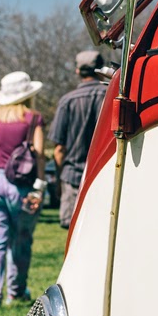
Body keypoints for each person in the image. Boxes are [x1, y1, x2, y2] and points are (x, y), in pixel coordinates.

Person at [0, 71, 45, 310]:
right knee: (21, 241)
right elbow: (39, 154)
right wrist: (40, 186)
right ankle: (16, 292)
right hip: (20, 185)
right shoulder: (33, 119)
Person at [48, 50, 107, 229]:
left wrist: (58, 181)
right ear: (100, 69)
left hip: (72, 177)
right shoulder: (111, 96)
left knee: (72, 232)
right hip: (104, 175)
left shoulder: (67, 101)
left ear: (77, 71)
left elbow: (59, 149)